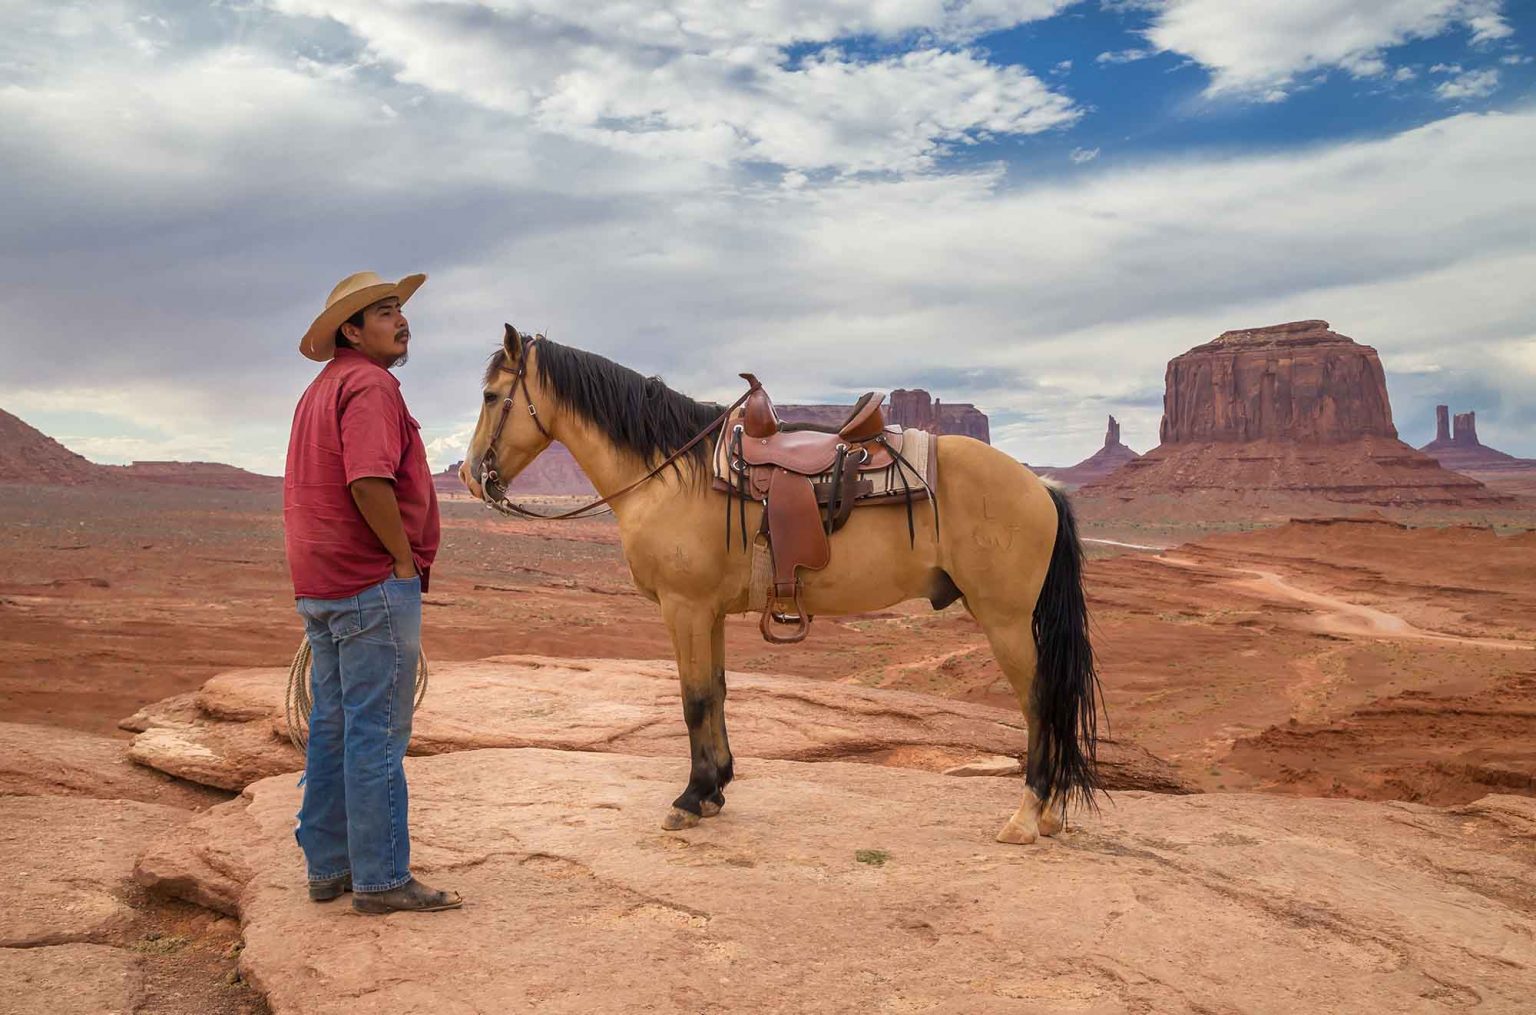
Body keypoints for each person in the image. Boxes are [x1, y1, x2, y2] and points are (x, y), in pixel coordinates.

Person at [283, 271, 460, 914]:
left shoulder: (320, 388)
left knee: (332, 726)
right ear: (351, 331)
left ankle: (328, 868)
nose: (401, 321)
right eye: (384, 313)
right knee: (377, 731)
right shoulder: (371, 384)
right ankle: (382, 879)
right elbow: (367, 480)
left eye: (399, 311)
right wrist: (403, 562)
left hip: (323, 584)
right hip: (369, 583)